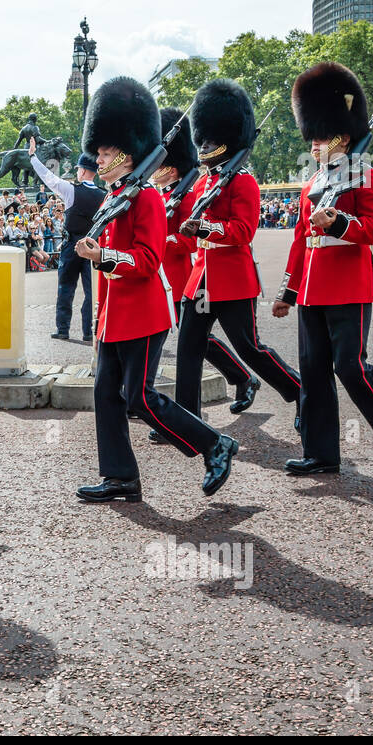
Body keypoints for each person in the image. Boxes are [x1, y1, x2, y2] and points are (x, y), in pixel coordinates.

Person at [72, 76, 238, 503]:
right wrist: (98, 315)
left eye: (106, 152)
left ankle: (214, 444)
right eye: (101, 149)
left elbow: (146, 260)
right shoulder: (115, 197)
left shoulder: (144, 198)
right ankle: (120, 477)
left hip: (145, 314)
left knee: (140, 399)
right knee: (106, 395)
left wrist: (102, 258)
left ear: (127, 155)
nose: (99, 157)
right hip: (115, 317)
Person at [273, 62, 373, 474]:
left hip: (350, 286)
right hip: (313, 292)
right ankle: (320, 452)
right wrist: (287, 291)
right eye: (313, 138)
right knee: (314, 373)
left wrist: (338, 222)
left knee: (349, 366)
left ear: (344, 135)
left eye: (323, 136)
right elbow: (301, 241)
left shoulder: (365, 176)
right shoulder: (310, 184)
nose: (316, 144)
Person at [174, 79, 301, 427]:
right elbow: (191, 235)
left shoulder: (242, 181)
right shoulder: (202, 182)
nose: (206, 145)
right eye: (204, 139)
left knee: (250, 349)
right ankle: (187, 419)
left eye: (212, 140)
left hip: (231, 281)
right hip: (200, 280)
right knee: (189, 349)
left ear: (228, 140)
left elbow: (243, 231)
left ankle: (299, 390)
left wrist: (203, 228)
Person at [149, 106, 257, 444]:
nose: (157, 173)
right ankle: (188, 421)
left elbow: (223, 234)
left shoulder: (225, 185)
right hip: (186, 278)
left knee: (240, 345)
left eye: (162, 168)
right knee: (190, 347)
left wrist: (175, 237)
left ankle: (261, 380)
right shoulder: (182, 189)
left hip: (204, 275)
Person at [29, 139, 103, 341]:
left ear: (81, 171)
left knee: (66, 288)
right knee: (91, 291)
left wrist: (33, 156)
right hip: (92, 245)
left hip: (71, 245)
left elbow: (48, 178)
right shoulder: (104, 195)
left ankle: (63, 329)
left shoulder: (72, 190)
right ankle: (89, 331)